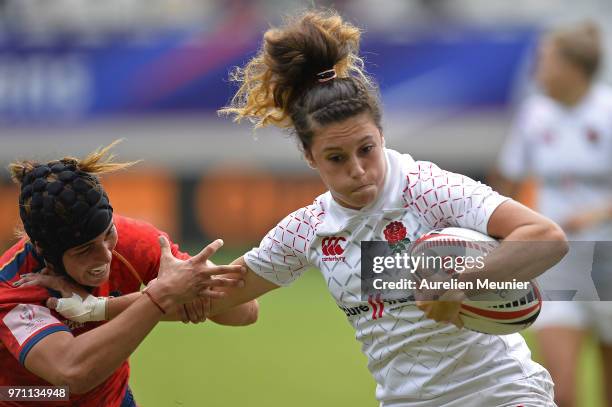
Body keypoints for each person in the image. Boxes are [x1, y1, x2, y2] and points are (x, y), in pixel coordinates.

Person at [44, 10, 567, 406]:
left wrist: (459, 281)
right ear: (309, 157)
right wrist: (103, 308)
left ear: (382, 135)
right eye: (336, 159)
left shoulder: (428, 189)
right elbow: (226, 298)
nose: (358, 170)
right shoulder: (311, 229)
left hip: (504, 393)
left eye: (367, 149)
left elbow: (546, 239)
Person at [0, 141, 257, 406]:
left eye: (108, 234)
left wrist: (100, 308)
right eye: (85, 249)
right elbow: (72, 374)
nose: (106, 255)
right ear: (47, 251)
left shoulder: (132, 241)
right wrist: (163, 295)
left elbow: (245, 309)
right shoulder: (13, 286)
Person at [496, 21, 612, 407]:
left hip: (607, 261)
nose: (537, 70)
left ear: (573, 68)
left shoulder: (608, 112)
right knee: (559, 393)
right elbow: (508, 181)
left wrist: (598, 211)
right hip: (558, 259)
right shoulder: (534, 114)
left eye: (545, 61)